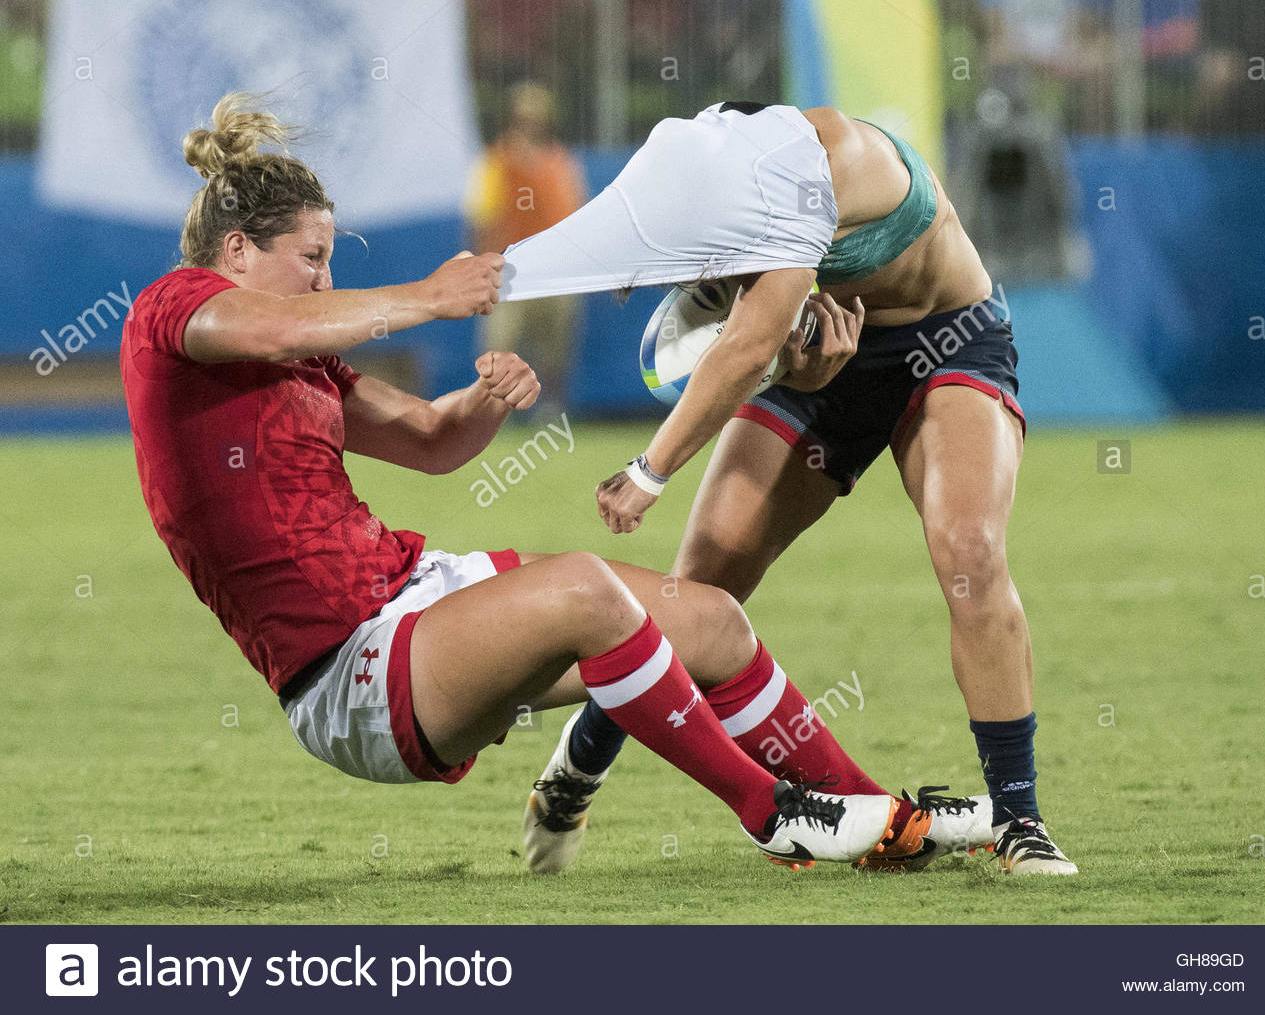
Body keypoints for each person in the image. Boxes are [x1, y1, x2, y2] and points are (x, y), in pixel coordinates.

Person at [120, 92, 990, 875]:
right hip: (346, 672)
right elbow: (269, 329)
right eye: (311, 258)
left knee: (711, 621)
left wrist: (484, 400)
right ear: (235, 250)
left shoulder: (303, 359)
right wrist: (428, 296)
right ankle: (773, 814)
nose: (325, 279)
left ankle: (884, 819)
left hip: (410, 598)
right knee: (585, 590)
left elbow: (428, 440)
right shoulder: (172, 310)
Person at [500, 101, 1076, 875]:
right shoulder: (724, 170)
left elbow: (744, 344)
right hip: (819, 354)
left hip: (945, 340)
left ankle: (1019, 819)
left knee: (968, 548)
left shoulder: (821, 171)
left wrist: (649, 471)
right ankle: (578, 765)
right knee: (696, 592)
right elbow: (657, 238)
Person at [465, 83, 586, 417]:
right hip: (509, 271)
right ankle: (489, 415)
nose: (531, 123)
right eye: (524, 116)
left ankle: (551, 411)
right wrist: (479, 271)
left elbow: (575, 213)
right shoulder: (496, 161)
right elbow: (481, 216)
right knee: (499, 346)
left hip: (554, 270)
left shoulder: (560, 161)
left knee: (555, 348)